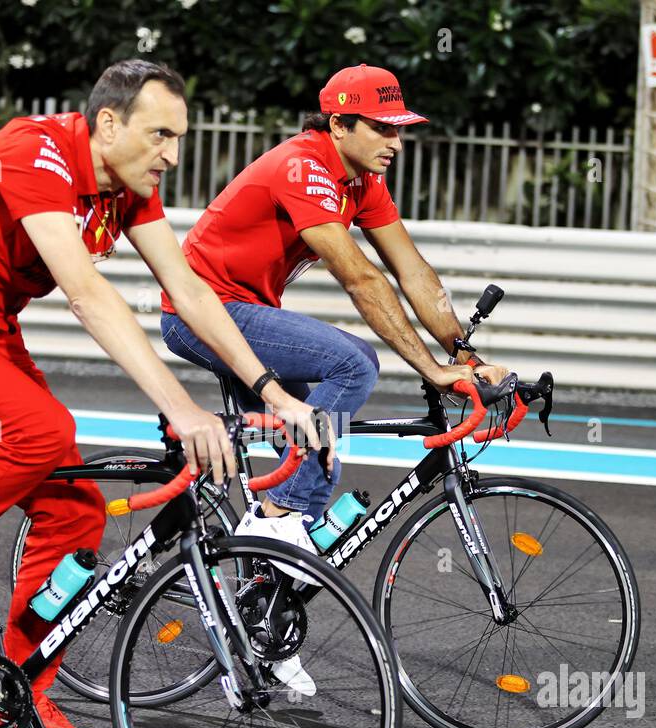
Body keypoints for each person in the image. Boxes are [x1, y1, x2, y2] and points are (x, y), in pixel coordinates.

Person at [0, 60, 326, 728]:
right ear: (108, 124)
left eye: (179, 137)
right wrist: (179, 406)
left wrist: (273, 392)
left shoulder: (126, 189)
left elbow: (192, 295)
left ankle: (18, 694)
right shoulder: (37, 153)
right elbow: (86, 294)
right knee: (42, 429)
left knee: (74, 513)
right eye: (160, 134)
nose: (173, 154)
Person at [161, 63, 507, 593]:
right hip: (203, 313)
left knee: (319, 462)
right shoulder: (302, 166)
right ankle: (269, 521)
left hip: (247, 313)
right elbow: (361, 279)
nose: (395, 141)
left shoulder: (364, 181)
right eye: (381, 127)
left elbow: (411, 270)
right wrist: (432, 370)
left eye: (399, 129)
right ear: (338, 125)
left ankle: (264, 623)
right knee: (353, 362)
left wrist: (465, 355)